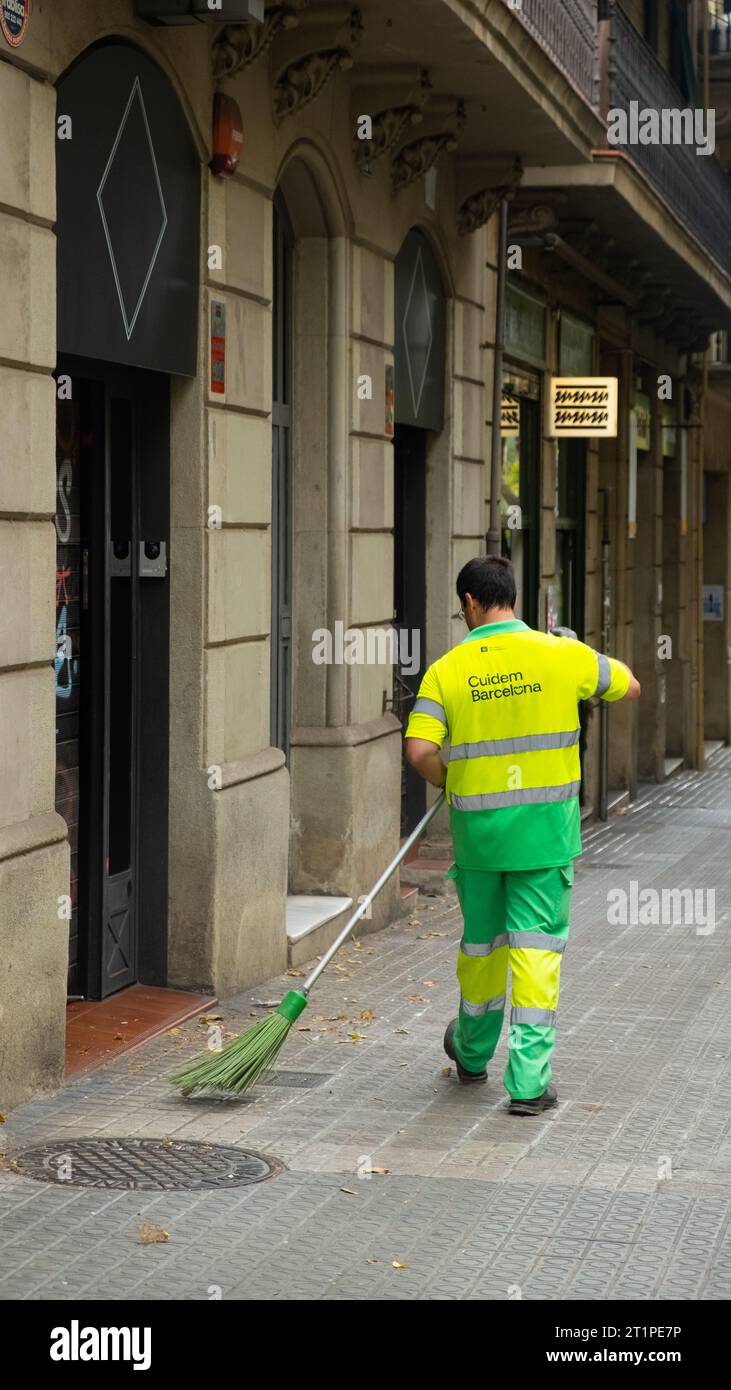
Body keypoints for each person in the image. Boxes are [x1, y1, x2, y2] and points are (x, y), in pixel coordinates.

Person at [404, 555, 640, 1116]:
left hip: (480, 838)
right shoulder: (561, 654)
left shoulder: (448, 669)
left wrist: (450, 776)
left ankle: (470, 1053)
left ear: (469, 603)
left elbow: (419, 752)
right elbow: (629, 685)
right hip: (542, 839)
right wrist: (577, 659)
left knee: (482, 949)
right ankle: (529, 1084)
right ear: (513, 597)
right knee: (535, 952)